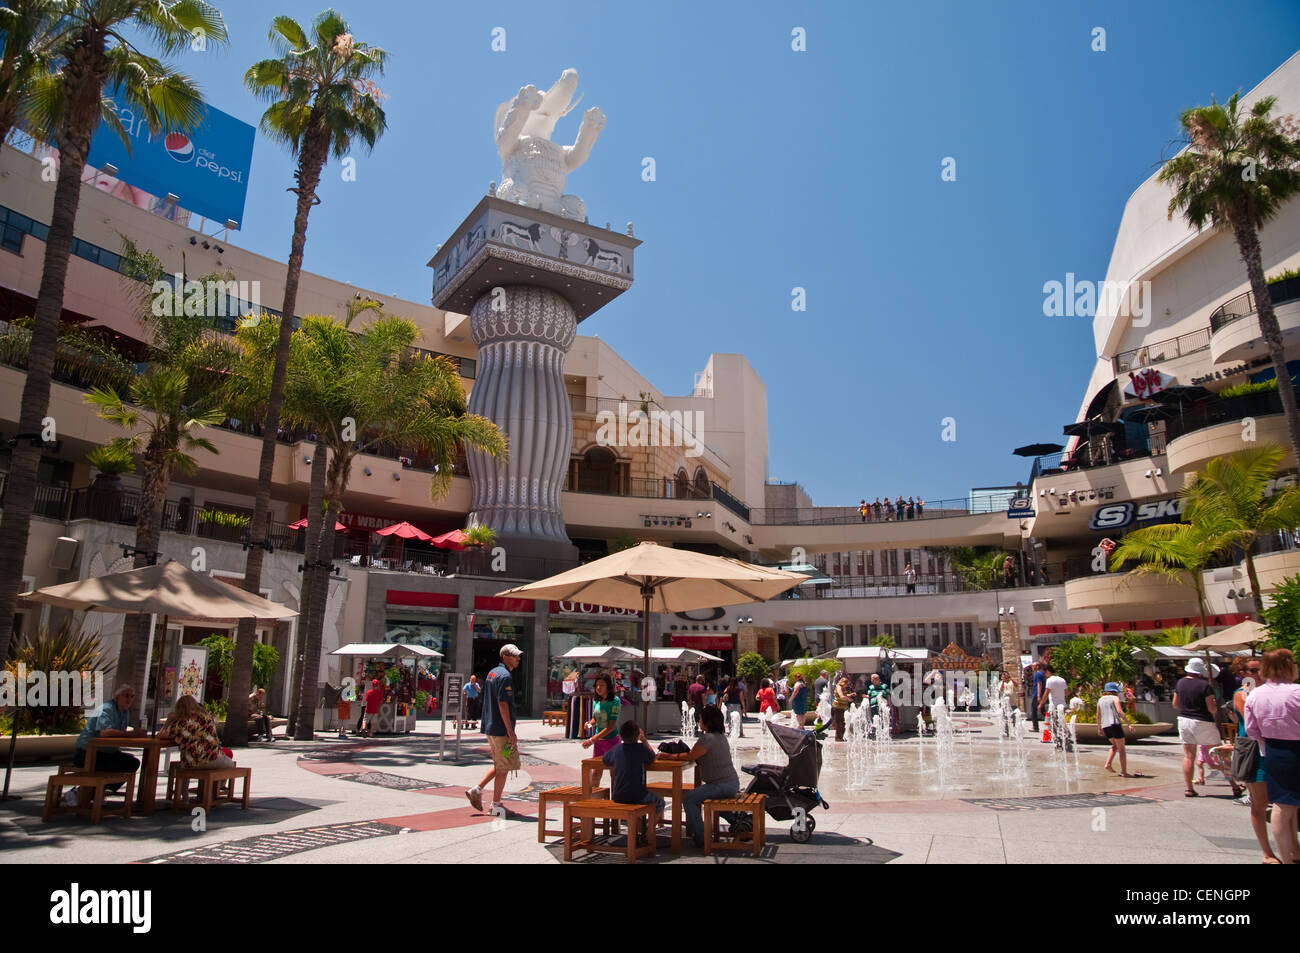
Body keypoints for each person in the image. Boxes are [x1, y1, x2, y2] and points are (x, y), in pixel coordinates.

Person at [1244, 648, 1300, 864]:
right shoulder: (1296, 692)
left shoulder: (1255, 694)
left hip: (1273, 751)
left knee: (1281, 805)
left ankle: (1287, 857)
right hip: (1295, 749)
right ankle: (1291, 855)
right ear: (1289, 666)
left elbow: (1252, 730)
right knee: (1287, 807)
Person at [660, 706, 740, 849]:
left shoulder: (707, 738)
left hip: (721, 785)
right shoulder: (721, 736)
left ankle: (701, 837)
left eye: (701, 718)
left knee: (689, 799)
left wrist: (669, 756)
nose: (698, 720)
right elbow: (697, 755)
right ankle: (736, 819)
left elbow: (691, 756)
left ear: (707, 721)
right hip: (730, 783)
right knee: (701, 797)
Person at [1234, 659, 1284, 864]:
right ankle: (1267, 852)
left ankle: (1290, 849)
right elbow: (1255, 720)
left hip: (1274, 747)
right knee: (1260, 803)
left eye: (1260, 669)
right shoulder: (1242, 694)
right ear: (1243, 672)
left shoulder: (1270, 692)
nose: (1258, 673)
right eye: (1253, 670)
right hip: (1253, 749)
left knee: (1284, 802)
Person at [465, 643, 523, 817]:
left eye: (518, 656)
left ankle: (478, 790)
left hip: (491, 726)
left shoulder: (492, 673)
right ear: (505, 657)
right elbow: (502, 703)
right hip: (500, 730)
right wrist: (510, 732)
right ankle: (495, 804)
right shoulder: (505, 676)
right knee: (504, 766)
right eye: (514, 656)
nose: (518, 659)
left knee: (500, 763)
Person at [72, 684, 142, 794]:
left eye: (132, 696)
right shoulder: (106, 709)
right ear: (117, 697)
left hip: (107, 753)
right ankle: (84, 793)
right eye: (126, 696)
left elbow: (118, 733)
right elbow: (105, 732)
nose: (129, 699)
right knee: (116, 766)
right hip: (88, 753)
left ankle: (100, 791)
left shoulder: (125, 712)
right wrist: (131, 734)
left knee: (132, 763)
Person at [602, 720, 663, 842]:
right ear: (637, 736)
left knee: (638, 804)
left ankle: (639, 831)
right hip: (637, 795)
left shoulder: (616, 749)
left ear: (621, 735)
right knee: (660, 803)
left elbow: (605, 759)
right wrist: (644, 740)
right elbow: (652, 757)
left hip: (617, 795)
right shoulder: (640, 748)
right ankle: (648, 833)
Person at [1175, 658, 1221, 798]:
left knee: (1189, 756)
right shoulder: (1205, 685)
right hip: (1203, 721)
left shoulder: (1180, 683)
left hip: (1184, 720)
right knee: (1218, 752)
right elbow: (1212, 709)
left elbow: (1175, 704)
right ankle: (1234, 785)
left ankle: (1189, 788)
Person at [161, 694, 236, 770]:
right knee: (230, 765)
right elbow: (216, 719)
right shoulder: (207, 718)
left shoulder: (179, 724)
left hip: (191, 763)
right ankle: (213, 782)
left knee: (183, 767)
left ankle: (184, 781)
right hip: (213, 758)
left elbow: (161, 735)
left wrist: (169, 720)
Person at [582, 674, 622, 787]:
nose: (598, 688)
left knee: (614, 774)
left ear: (608, 687)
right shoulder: (596, 701)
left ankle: (615, 801)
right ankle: (594, 801)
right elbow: (596, 718)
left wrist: (592, 740)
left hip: (612, 742)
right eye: (597, 685)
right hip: (599, 743)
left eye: (602, 685)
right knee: (596, 773)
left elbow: (611, 726)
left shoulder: (615, 701)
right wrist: (589, 725)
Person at [1097, 683, 1137, 777]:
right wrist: (1129, 724)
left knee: (1115, 745)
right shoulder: (1115, 698)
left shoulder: (1100, 700)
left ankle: (1108, 764)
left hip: (1105, 726)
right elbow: (1120, 712)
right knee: (1122, 749)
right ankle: (1124, 772)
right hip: (1114, 724)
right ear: (1115, 691)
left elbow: (1098, 715)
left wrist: (1099, 728)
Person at [832, 676, 855, 741]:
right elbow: (841, 696)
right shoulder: (839, 687)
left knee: (842, 722)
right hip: (838, 707)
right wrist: (848, 699)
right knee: (839, 723)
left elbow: (844, 695)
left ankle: (841, 737)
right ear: (843, 683)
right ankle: (838, 737)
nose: (847, 686)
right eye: (846, 684)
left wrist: (850, 695)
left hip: (842, 707)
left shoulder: (843, 687)